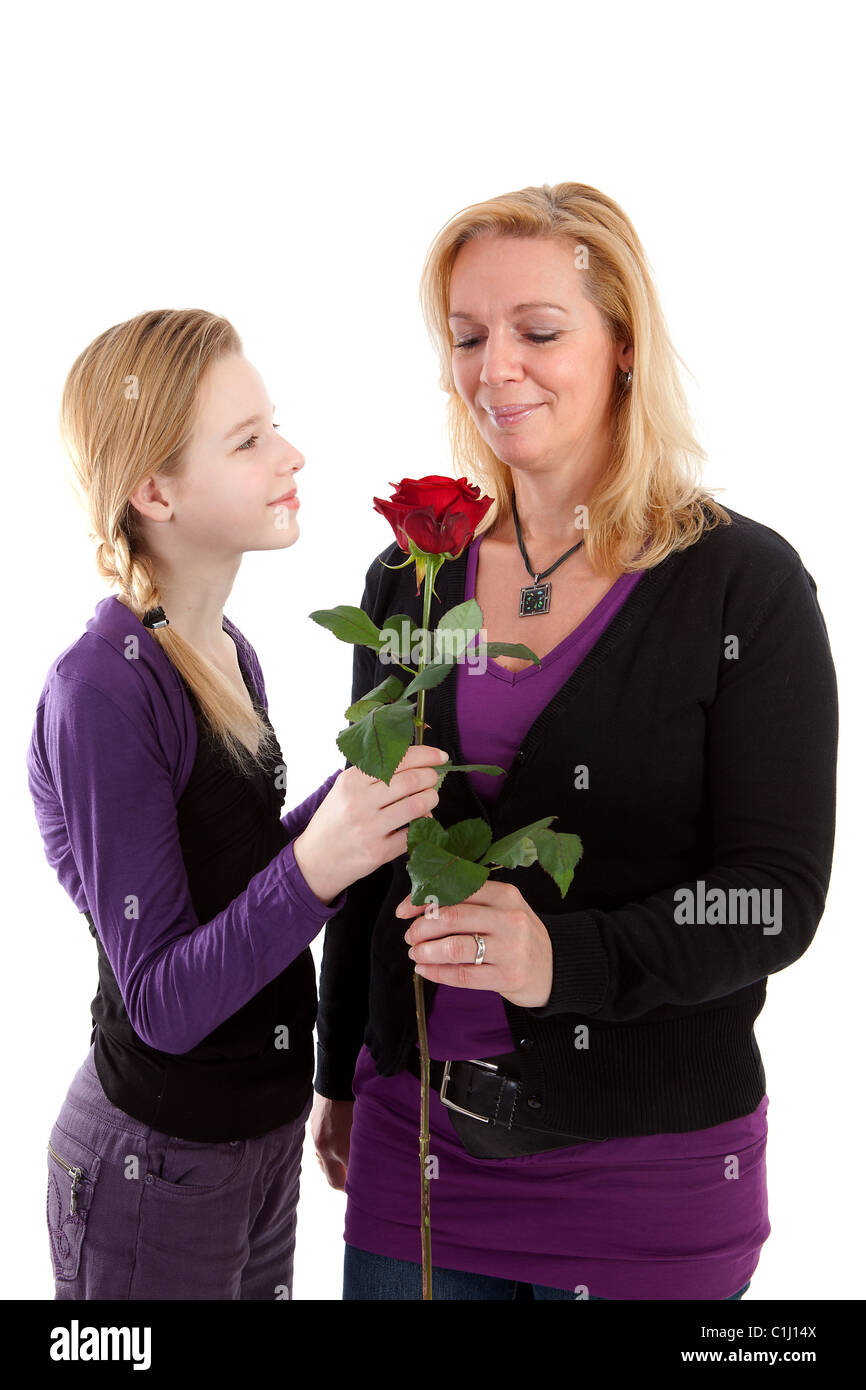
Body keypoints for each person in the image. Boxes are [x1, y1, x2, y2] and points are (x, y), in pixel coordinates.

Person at [310, 182, 839, 1301]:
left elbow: (771, 894)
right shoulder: (408, 576)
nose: (493, 368)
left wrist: (566, 958)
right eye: (465, 336)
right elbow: (366, 851)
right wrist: (339, 1073)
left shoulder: (744, 585)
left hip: (645, 1178)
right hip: (420, 1162)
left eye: (537, 332)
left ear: (623, 347)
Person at [26, 308, 448, 1300]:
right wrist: (319, 860)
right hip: (152, 1167)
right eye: (249, 440)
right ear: (155, 490)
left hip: (254, 1147)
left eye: (275, 426)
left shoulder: (225, 650)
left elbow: (236, 883)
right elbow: (165, 1002)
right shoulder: (102, 692)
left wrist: (349, 808)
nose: (289, 454)